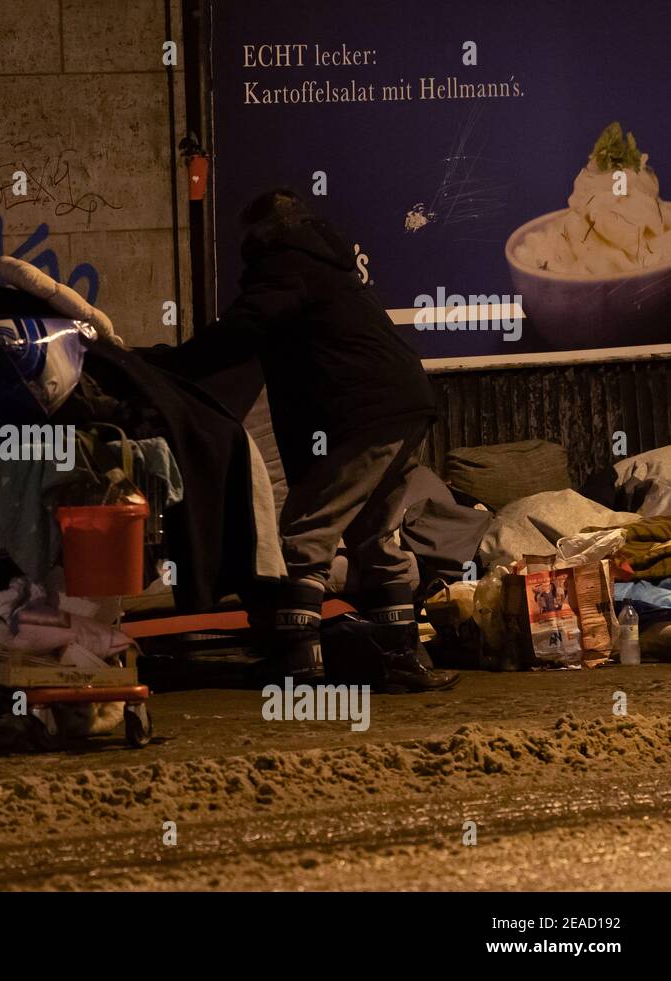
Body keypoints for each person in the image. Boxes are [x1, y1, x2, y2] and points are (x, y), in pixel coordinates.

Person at [144, 188, 456, 691]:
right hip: (405, 403)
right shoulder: (330, 268)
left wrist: (171, 365)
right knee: (374, 536)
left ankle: (296, 662)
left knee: (305, 532)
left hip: (363, 411)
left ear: (263, 233)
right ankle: (399, 660)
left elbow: (244, 329)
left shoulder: (286, 263)